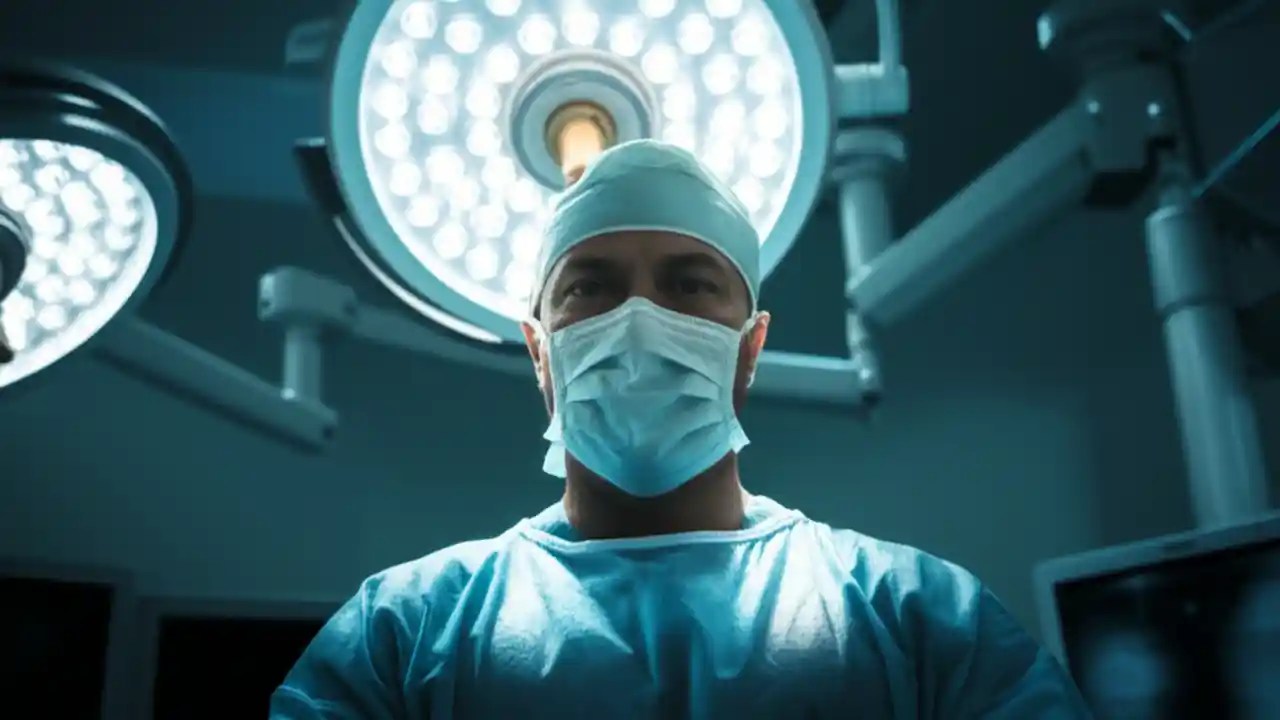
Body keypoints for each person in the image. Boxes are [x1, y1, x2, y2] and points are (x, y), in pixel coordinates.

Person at [270, 140, 1092, 719]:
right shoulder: (404, 633)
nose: (638, 321)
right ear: (539, 350)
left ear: (751, 347)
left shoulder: (914, 618)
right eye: (590, 288)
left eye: (688, 285)